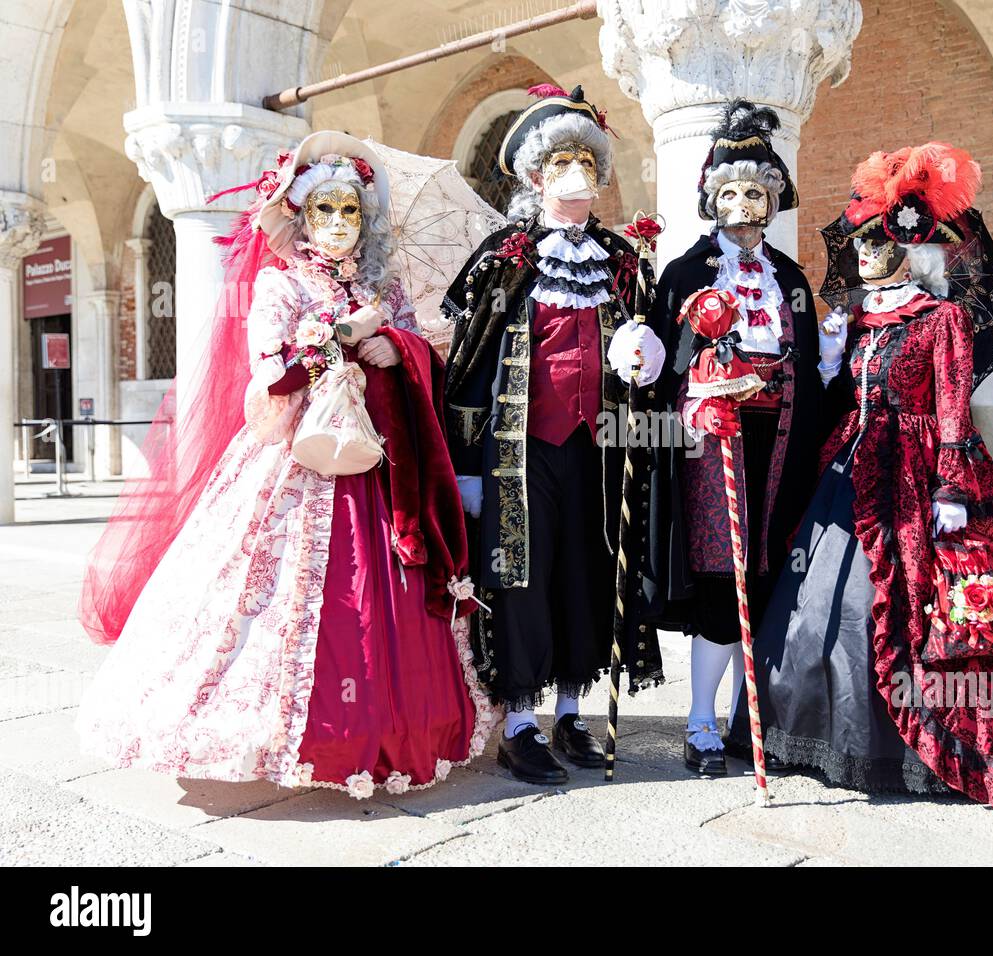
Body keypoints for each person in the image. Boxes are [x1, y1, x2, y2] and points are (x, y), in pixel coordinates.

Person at [77, 132, 495, 798]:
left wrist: (392, 341)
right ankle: (286, 732)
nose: (337, 224)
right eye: (324, 210)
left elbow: (426, 352)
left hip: (381, 460)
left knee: (379, 591)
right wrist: (332, 346)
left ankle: (387, 726)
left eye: (350, 211)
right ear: (301, 215)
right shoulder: (279, 280)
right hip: (296, 458)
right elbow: (267, 372)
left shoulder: (384, 284)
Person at [736, 143, 993, 813]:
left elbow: (952, 407)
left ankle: (913, 749)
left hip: (920, 477)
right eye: (858, 246)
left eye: (875, 245)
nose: (863, 257)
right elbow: (838, 394)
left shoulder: (941, 318)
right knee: (817, 606)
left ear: (906, 250)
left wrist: (950, 486)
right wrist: (813, 364)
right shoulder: (859, 322)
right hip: (853, 466)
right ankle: (814, 732)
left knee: (913, 608)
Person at [441, 83, 667, 785]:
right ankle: (517, 723)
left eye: (586, 160)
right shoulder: (507, 256)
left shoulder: (623, 260)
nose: (577, 172)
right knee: (520, 578)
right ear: (537, 175)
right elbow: (471, 360)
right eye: (562, 160)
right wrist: (468, 465)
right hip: (518, 452)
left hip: (599, 449)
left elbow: (651, 347)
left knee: (586, 574)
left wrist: (646, 356)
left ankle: (571, 711)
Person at [642, 101, 821, 775]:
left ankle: (760, 718)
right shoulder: (685, 274)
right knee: (723, 579)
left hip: (782, 445)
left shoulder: (794, 281)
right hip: (713, 446)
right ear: (712, 201)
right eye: (731, 193)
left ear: (773, 201)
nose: (744, 205)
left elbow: (808, 363)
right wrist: (696, 394)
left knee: (772, 575)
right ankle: (700, 723)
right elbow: (661, 365)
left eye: (756, 193)